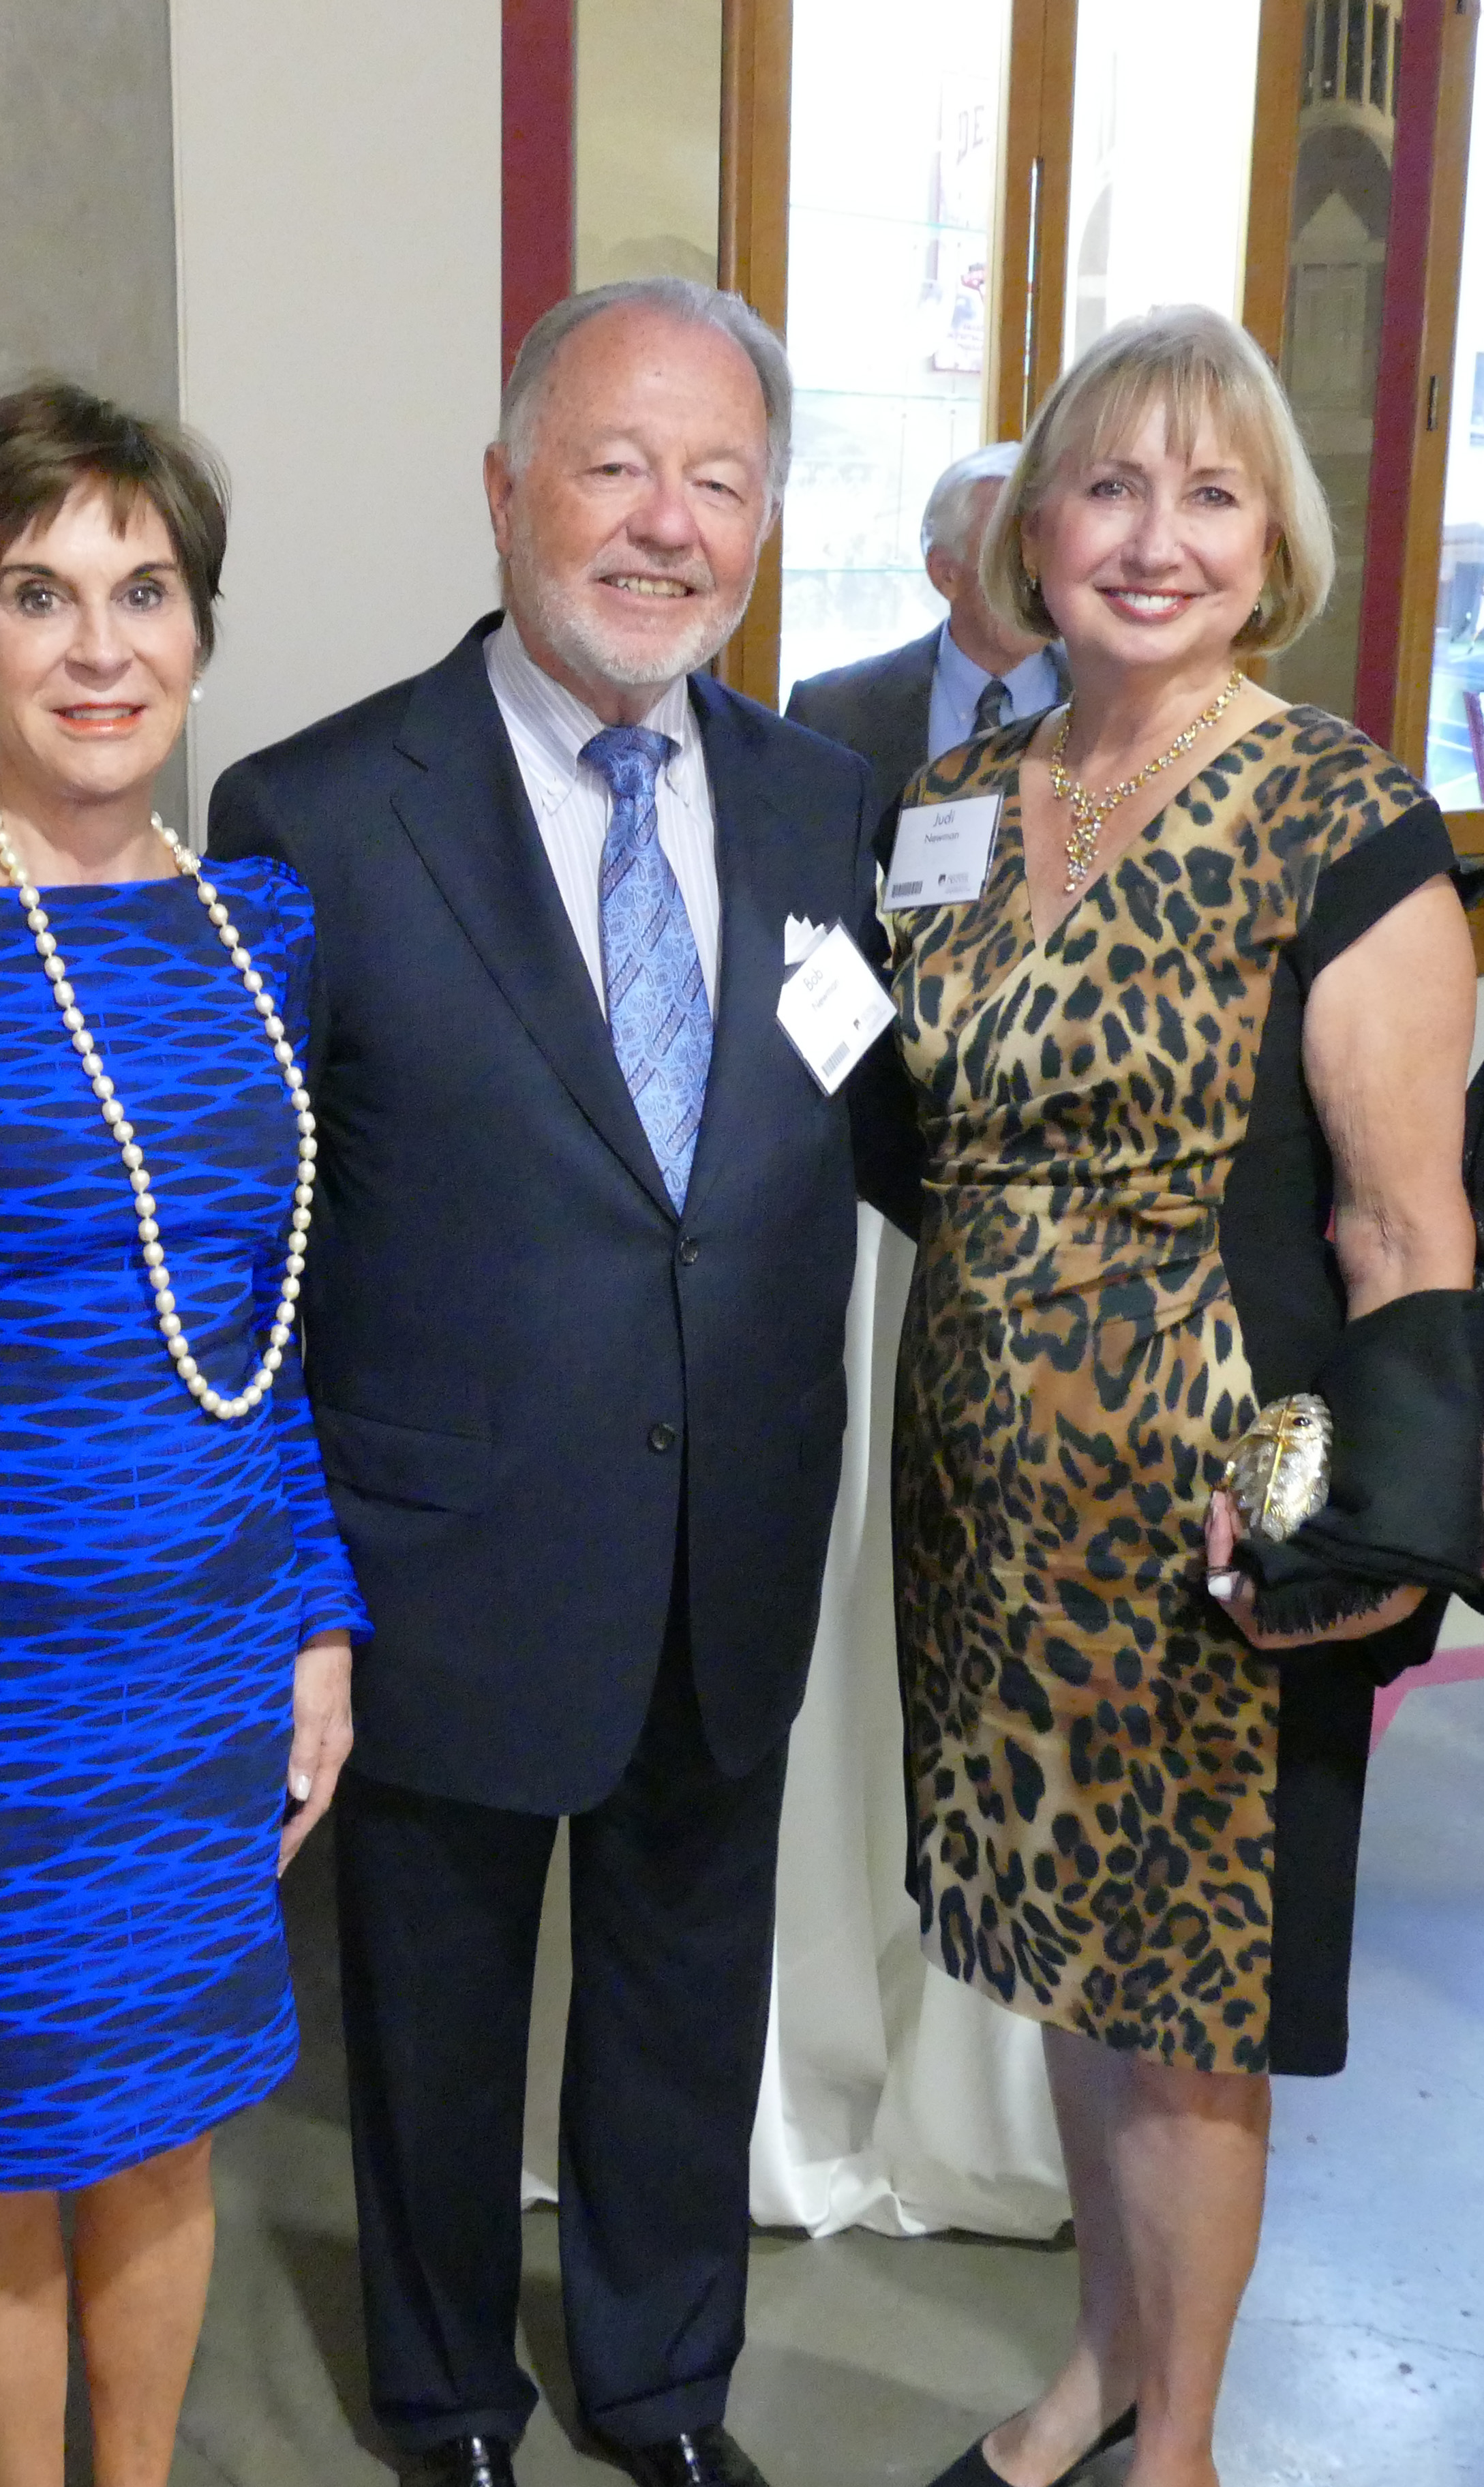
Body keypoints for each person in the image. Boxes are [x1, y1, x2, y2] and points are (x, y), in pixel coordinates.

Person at [209, 279, 921, 2487]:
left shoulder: (827, 807)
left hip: (728, 1522)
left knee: (682, 1994)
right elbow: (262, 1243)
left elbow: (889, 1127)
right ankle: (442, 2394)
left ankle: (665, 2375)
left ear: (770, 523)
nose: (663, 523)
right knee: (428, 2017)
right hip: (441, 1544)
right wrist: (281, 1580)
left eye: (719, 480)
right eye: (615, 463)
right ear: (505, 484)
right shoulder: (319, 808)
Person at [888, 305, 1479, 2487]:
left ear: (1275, 544)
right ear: (1035, 529)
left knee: (1191, 2007)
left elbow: (1410, 1231)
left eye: (1209, 493)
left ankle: (1183, 2447)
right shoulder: (955, 805)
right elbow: (883, 1120)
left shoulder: (1344, 811)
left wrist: (1357, 1534)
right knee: (1066, 1947)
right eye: (1112, 486)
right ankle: (1096, 2368)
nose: (1155, 537)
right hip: (981, 1507)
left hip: (1217, 1515)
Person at [0, 380, 367, 2487]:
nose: (99, 643)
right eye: (37, 594)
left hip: (212, 1643)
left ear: (202, 630)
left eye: (144, 591)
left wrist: (315, 1617)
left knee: (164, 2127)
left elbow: (271, 1327)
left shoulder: (257, 926)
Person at [786, 440, 1066, 851]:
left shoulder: (1118, 707)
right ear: (944, 574)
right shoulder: (833, 716)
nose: (1035, 579)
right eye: (1008, 558)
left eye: (1047, 552)